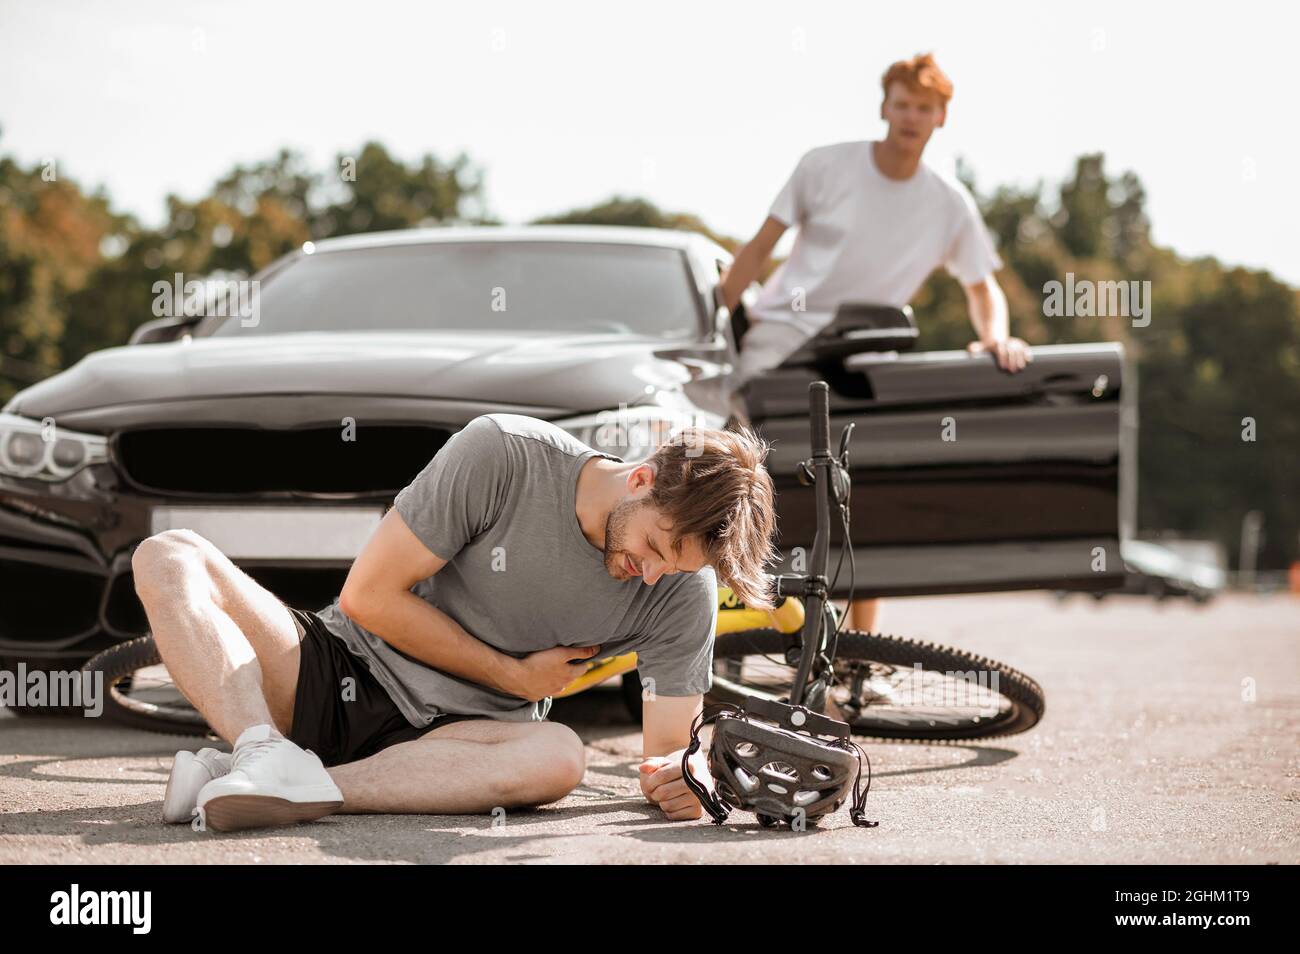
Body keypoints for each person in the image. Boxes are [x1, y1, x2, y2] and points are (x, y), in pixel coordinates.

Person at [136, 413, 779, 831]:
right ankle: (259, 750)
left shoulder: (681, 588)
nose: (653, 577)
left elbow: (664, 750)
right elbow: (367, 597)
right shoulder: (504, 453)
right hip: (343, 667)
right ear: (641, 479)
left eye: (676, 569)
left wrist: (684, 780)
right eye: (656, 549)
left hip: (455, 747)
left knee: (560, 757)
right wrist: (511, 674)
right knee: (169, 554)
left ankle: (287, 781)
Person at [720, 52, 1031, 633]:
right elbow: (759, 247)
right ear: (884, 107)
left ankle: (861, 650)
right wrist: (717, 310)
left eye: (925, 108)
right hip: (780, 343)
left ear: (941, 117)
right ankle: (726, 626)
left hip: (863, 361)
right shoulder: (824, 166)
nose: (912, 117)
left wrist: (996, 338)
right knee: (743, 477)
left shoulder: (949, 202)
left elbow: (982, 286)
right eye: (903, 104)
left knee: (858, 500)